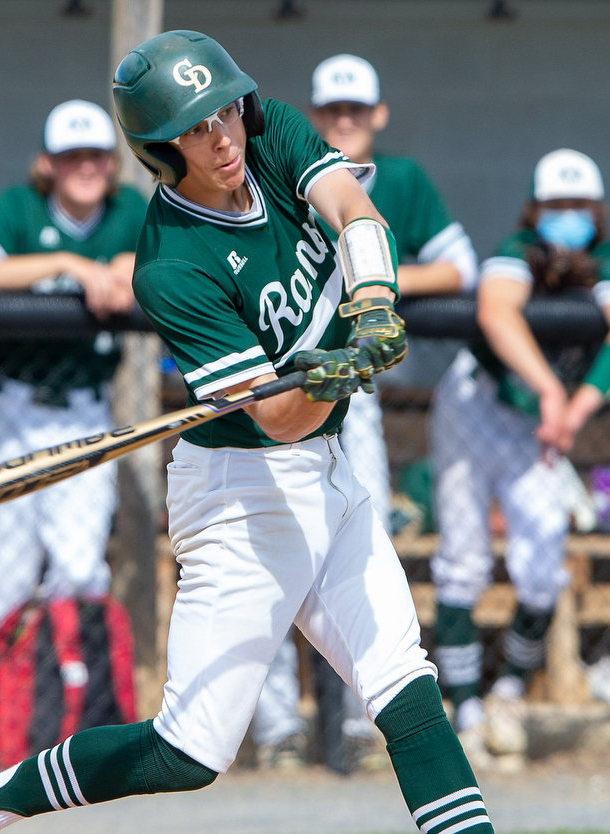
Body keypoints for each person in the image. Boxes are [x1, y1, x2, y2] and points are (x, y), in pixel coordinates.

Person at [0, 31, 494, 834]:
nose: (223, 137)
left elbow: (354, 207)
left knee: (403, 683)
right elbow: (278, 417)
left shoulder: (272, 131)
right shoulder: (170, 264)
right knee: (188, 753)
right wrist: (344, 367)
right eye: (196, 127)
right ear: (159, 149)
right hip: (243, 497)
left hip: (329, 468)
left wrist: (374, 300)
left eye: (225, 112)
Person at [252, 52, 480, 771]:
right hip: (276, 391)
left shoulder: (401, 181)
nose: (344, 121)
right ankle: (276, 728)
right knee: (268, 553)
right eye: (332, 113)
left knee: (363, 549)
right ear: (315, 118)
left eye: (356, 111)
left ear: (377, 115)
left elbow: (458, 267)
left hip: (356, 391)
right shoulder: (284, 177)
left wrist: (371, 272)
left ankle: (362, 721)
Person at [430, 149, 610, 769]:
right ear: (534, 209)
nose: (568, 218)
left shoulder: (609, 259)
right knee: (464, 561)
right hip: (479, 403)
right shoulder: (515, 247)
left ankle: (507, 695)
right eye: (556, 206)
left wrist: (573, 410)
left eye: (579, 206)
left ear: (599, 210)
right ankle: (466, 710)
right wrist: (553, 391)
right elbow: (497, 312)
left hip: (541, 425)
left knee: (543, 559)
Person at [0, 100, 147, 678]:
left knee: (81, 569)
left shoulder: (127, 209)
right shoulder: (19, 207)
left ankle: (69, 716)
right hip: (9, 406)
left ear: (112, 163)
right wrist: (68, 263)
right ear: (47, 164)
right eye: (70, 157)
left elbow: (172, 264)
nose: (84, 167)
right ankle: (7, 720)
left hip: (83, 413)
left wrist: (125, 268)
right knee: (4, 573)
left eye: (95, 156)